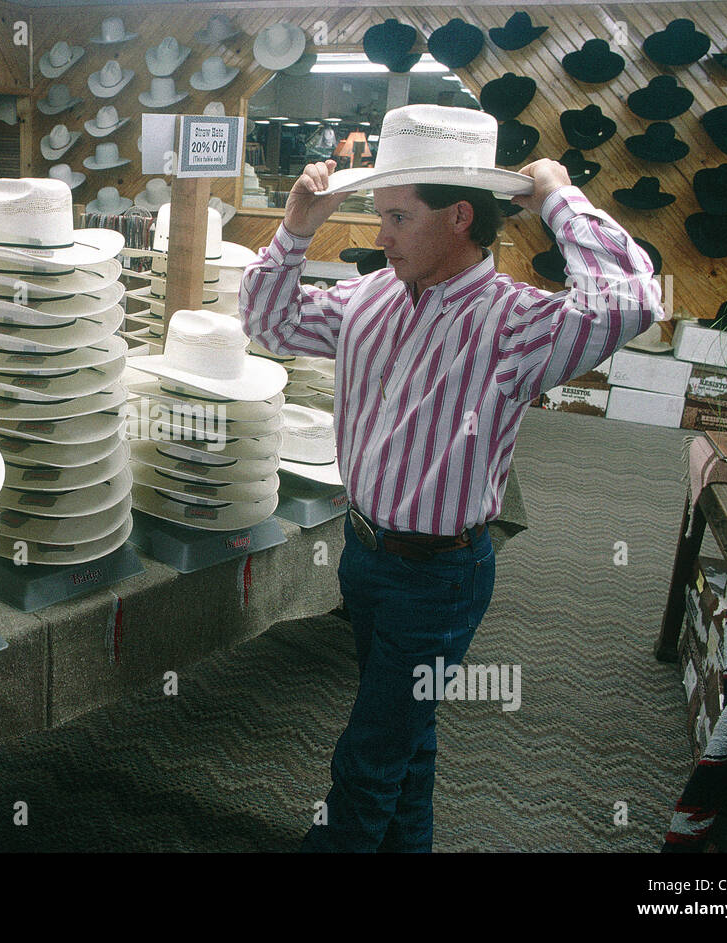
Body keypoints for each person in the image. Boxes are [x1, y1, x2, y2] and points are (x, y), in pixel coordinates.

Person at [239, 104, 664, 853]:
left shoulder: (515, 323)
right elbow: (268, 322)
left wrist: (557, 192)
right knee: (408, 738)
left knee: (368, 759)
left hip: (439, 577)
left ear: (460, 216)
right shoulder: (370, 297)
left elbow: (632, 300)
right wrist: (296, 228)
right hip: (365, 553)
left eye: (398, 217)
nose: (379, 236)